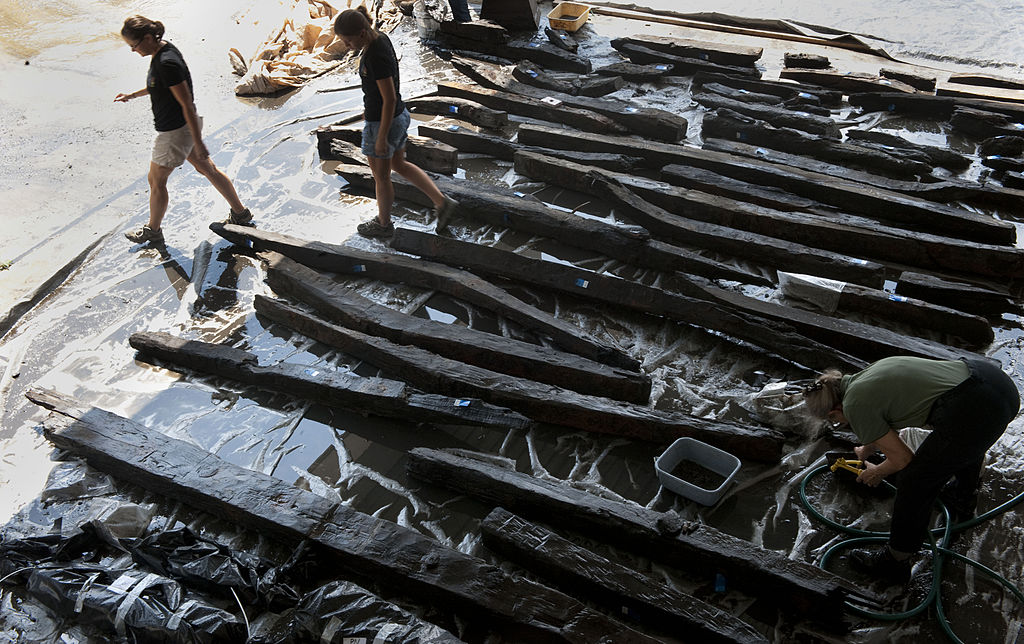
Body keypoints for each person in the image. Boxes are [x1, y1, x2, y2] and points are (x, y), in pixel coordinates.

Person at [804, 356, 1019, 583]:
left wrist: (877, 472)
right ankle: (963, 495)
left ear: (833, 413)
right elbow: (887, 413)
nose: (840, 424)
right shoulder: (864, 377)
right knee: (964, 441)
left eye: (836, 421)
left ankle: (895, 561)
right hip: (994, 384)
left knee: (915, 480)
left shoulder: (854, 404)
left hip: (977, 405)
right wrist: (867, 446)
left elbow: (903, 459)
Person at [116, 16, 252, 246]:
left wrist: (198, 143)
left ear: (147, 38)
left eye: (134, 45)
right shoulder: (163, 51)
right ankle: (241, 213)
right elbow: (159, 87)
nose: (132, 50)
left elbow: (187, 103)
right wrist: (133, 95)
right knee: (208, 169)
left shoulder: (167, 63)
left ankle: (153, 230)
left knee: (156, 181)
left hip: (174, 132)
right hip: (182, 129)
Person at [334, 7, 457, 238]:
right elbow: (381, 94)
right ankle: (442, 202)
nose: (346, 46)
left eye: (348, 41)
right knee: (399, 165)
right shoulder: (380, 38)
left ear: (361, 33)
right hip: (398, 117)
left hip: (384, 123)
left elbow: (388, 98)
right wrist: (367, 110)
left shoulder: (374, 56)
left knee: (381, 177)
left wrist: (380, 136)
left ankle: (383, 224)